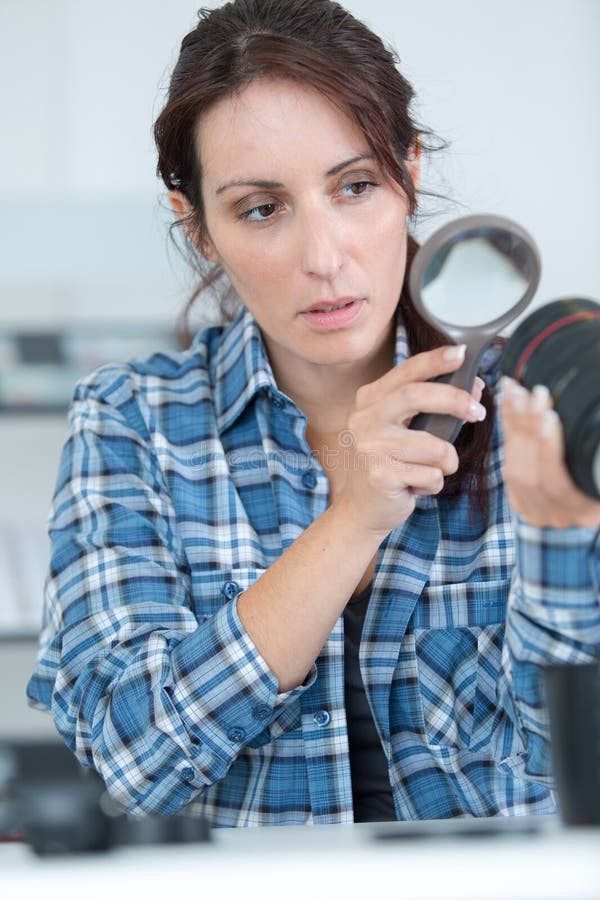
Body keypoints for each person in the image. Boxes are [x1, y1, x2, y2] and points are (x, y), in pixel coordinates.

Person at [27, 0, 600, 826]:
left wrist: (560, 542)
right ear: (200, 228)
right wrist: (351, 521)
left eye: (355, 186)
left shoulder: (529, 409)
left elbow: (569, 777)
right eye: (262, 208)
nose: (324, 258)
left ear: (409, 172)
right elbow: (133, 764)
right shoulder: (130, 421)